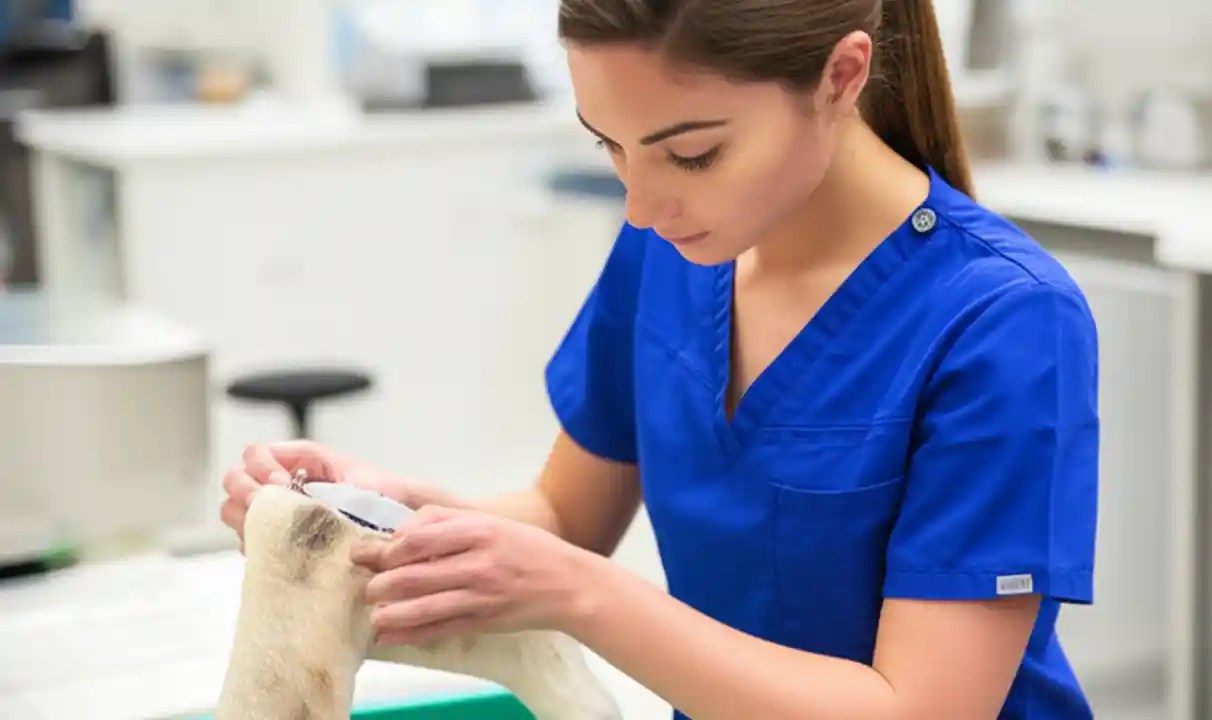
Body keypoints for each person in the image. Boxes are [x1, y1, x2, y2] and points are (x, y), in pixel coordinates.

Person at [221, 0, 1100, 717]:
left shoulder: (1003, 320)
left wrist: (586, 595)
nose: (642, 206)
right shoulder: (677, 250)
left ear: (841, 76)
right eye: (609, 146)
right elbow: (562, 518)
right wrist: (381, 512)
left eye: (691, 153)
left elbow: (920, 711)